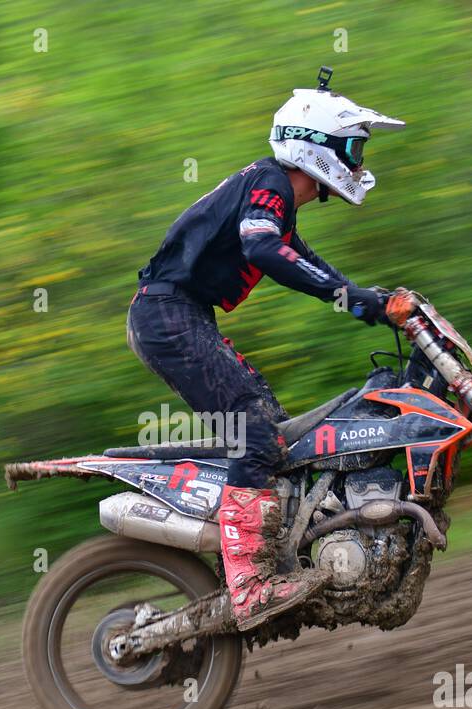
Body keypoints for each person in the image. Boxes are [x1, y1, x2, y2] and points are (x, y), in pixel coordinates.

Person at [126, 68, 405, 630]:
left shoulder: (272, 194)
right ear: (316, 145)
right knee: (253, 432)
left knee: (272, 434)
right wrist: (350, 297)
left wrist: (369, 302)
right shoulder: (270, 185)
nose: (357, 160)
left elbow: (303, 258)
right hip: (167, 316)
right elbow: (266, 249)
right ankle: (250, 585)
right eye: (351, 147)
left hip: (178, 316)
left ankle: (287, 553)